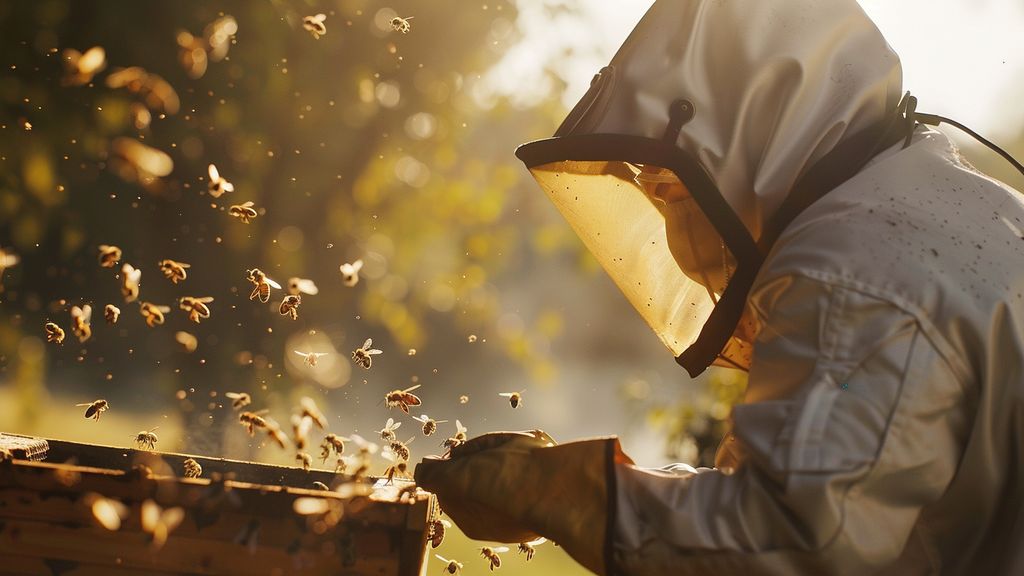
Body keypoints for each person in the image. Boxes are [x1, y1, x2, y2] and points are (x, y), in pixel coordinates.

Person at [415, 0, 1024, 574]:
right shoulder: (947, 205)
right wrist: (598, 485)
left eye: (664, 179)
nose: (654, 194)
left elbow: (788, 545)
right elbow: (803, 496)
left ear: (739, 134)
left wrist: (564, 493)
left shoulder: (851, 272)